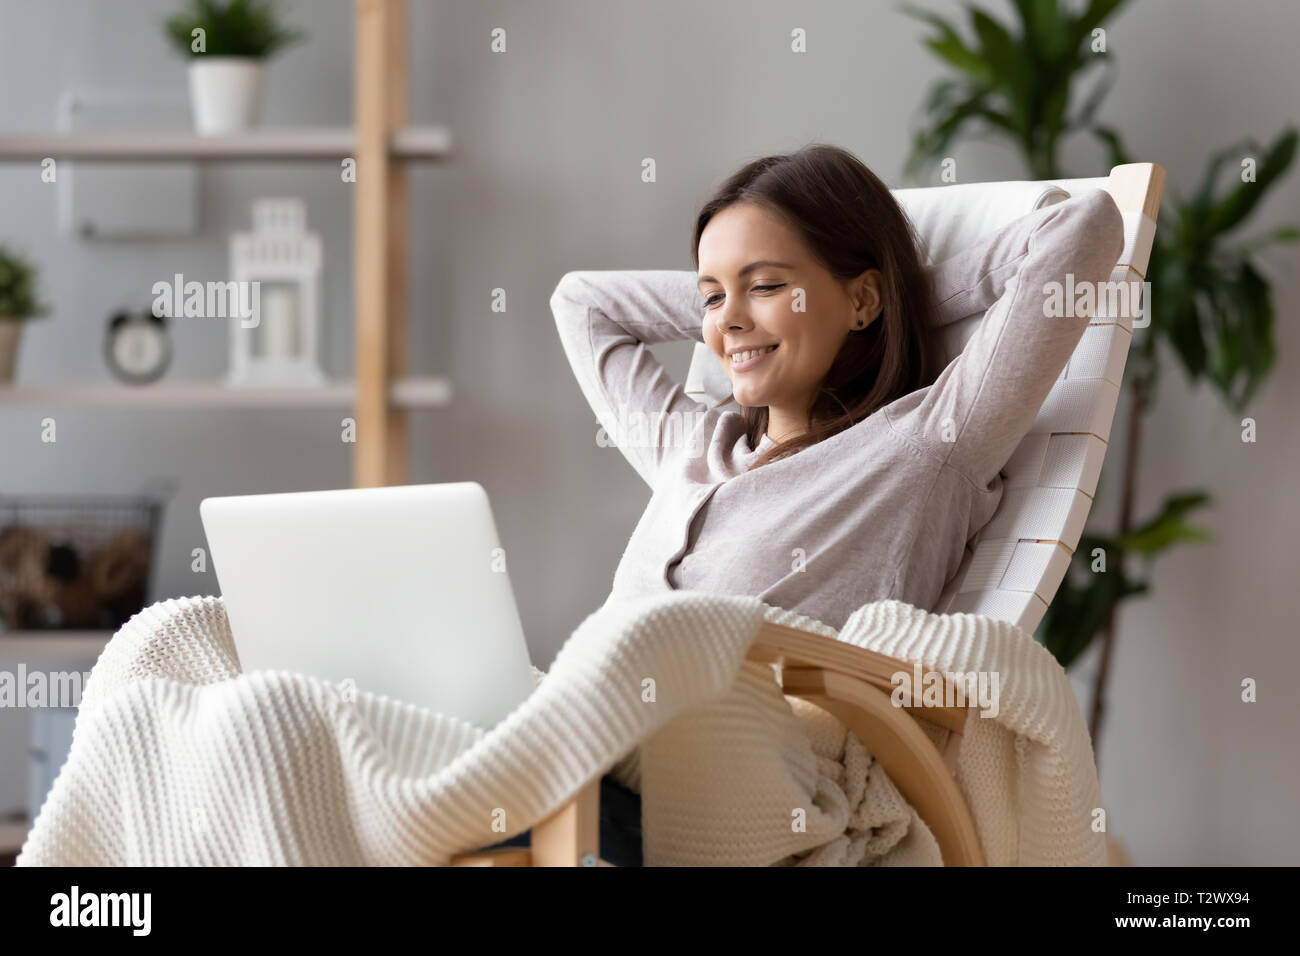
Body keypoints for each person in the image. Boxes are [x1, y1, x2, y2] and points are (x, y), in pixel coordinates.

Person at [535, 143, 1125, 866]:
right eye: (711, 294)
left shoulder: (929, 445)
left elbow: (1086, 229)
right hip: (595, 734)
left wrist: (896, 296)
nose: (726, 322)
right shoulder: (692, 443)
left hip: (738, 768)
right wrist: (758, 308)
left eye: (765, 285)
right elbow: (581, 301)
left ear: (864, 298)